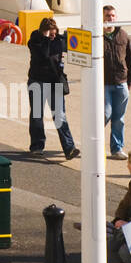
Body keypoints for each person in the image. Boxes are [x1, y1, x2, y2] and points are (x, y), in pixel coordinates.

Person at [27, 17, 78, 159]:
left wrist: (54, 38)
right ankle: (37, 146)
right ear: (43, 31)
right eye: (50, 33)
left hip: (55, 83)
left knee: (60, 115)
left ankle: (69, 148)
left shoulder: (58, 41)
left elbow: (63, 47)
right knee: (37, 115)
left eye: (55, 33)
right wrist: (46, 38)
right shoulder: (35, 41)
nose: (53, 36)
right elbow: (43, 54)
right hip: (38, 82)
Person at [103, 5, 131, 160]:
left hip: (121, 82)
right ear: (102, 17)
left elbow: (130, 59)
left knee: (119, 119)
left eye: (113, 15)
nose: (110, 18)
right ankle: (93, 142)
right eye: (107, 16)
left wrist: (130, 81)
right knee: (105, 114)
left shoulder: (123, 35)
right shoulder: (97, 36)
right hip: (104, 84)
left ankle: (117, 149)